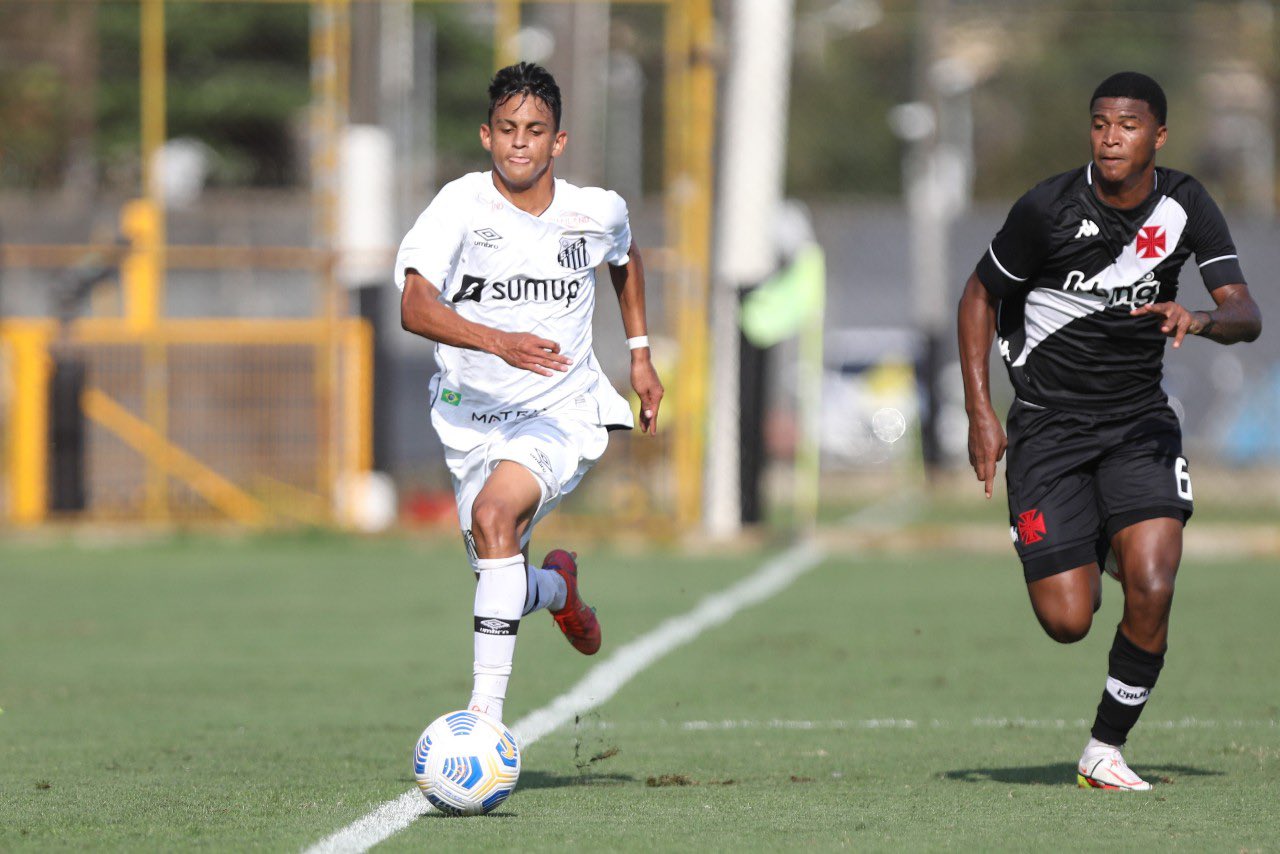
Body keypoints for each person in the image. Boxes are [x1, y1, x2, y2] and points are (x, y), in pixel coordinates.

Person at [958, 71, 1261, 790]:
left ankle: (1104, 750)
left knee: (1154, 582)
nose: (1111, 138)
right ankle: (1094, 537)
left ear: (1158, 135)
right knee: (1069, 619)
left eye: (1128, 125)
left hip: (1137, 424)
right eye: (1100, 124)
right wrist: (980, 410)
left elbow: (1245, 310)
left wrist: (1204, 319)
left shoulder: (1185, 205)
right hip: (1047, 428)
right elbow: (977, 296)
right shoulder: (1048, 208)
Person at [394, 62, 663, 723]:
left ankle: (482, 722)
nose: (521, 143)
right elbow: (413, 306)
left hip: (559, 412)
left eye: (535, 130)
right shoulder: (459, 206)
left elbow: (625, 262)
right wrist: (498, 340)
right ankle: (558, 588)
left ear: (558, 142)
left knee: (493, 519)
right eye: (508, 129)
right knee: (500, 572)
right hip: (469, 420)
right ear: (487, 136)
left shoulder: (595, 212)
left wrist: (640, 356)